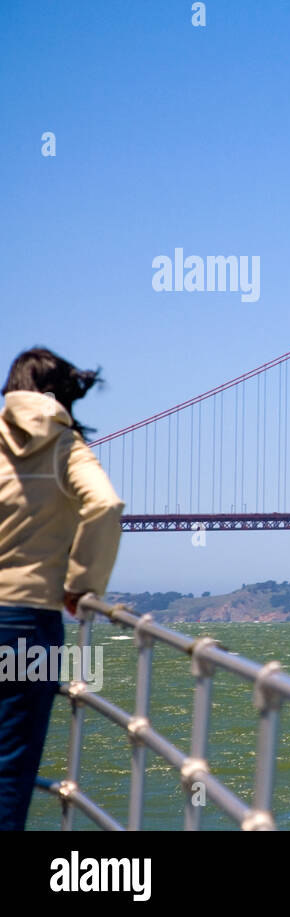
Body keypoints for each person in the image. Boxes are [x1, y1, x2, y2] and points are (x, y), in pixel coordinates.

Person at [0, 348, 123, 830]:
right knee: (11, 768)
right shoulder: (65, 446)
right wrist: (81, 584)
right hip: (30, 625)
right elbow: (106, 506)